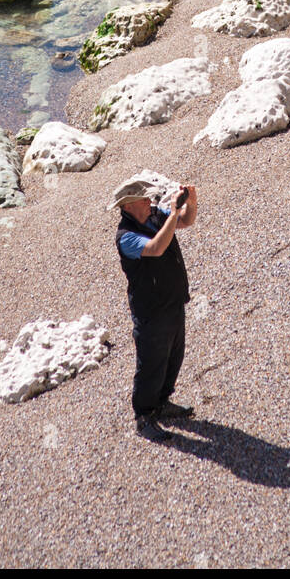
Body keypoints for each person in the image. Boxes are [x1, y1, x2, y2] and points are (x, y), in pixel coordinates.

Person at [108, 171, 198, 439]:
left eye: (148, 198)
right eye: (142, 199)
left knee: (173, 357)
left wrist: (190, 202)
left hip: (172, 302)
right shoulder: (126, 237)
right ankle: (144, 417)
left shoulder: (155, 215)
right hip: (150, 312)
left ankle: (163, 401)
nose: (149, 202)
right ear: (127, 206)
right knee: (151, 365)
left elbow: (186, 220)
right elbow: (157, 247)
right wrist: (172, 214)